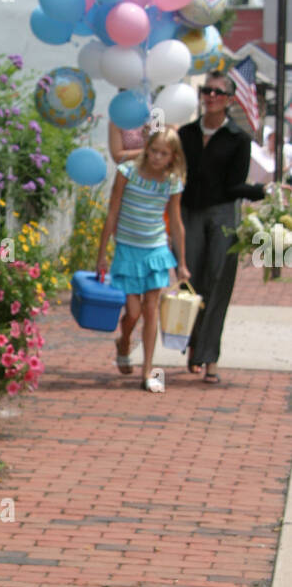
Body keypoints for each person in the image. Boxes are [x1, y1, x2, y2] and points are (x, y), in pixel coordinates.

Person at [178, 73, 262, 384]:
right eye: (206, 90)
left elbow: (235, 185)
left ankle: (209, 354)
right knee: (192, 282)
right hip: (189, 212)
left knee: (218, 280)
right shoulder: (185, 133)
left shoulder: (238, 139)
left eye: (217, 92)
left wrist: (261, 192)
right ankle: (194, 344)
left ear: (228, 99)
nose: (210, 95)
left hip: (224, 213)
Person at [96, 127, 189, 393]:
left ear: (172, 157)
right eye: (154, 151)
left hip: (156, 249)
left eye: (164, 153)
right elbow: (112, 212)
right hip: (128, 248)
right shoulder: (128, 173)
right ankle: (124, 341)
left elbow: (176, 223)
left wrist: (181, 262)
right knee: (133, 312)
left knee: (151, 310)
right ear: (146, 149)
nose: (157, 157)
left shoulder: (172, 182)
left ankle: (147, 371)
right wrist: (102, 254)